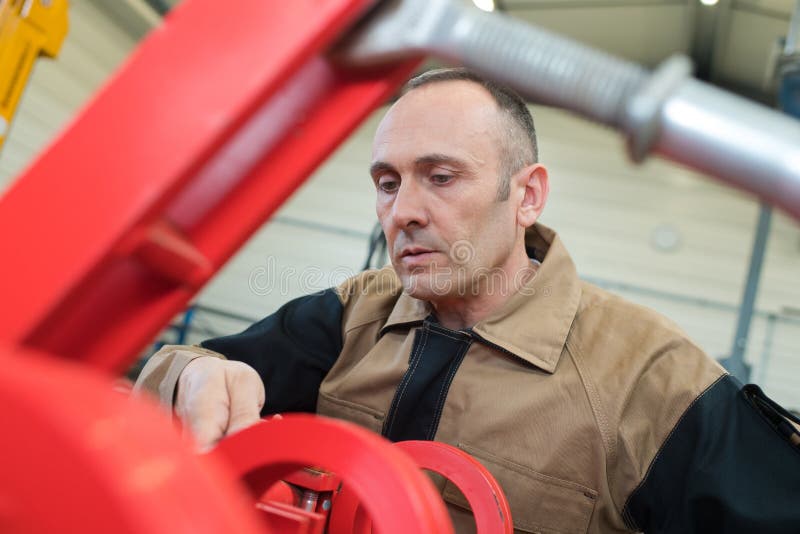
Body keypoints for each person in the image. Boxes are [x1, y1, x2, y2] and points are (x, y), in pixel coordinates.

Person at [135, 68, 800, 533]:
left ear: (528, 196)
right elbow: (191, 367)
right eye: (388, 182)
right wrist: (191, 373)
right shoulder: (355, 314)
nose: (403, 213)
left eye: (441, 176)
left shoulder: (652, 381)